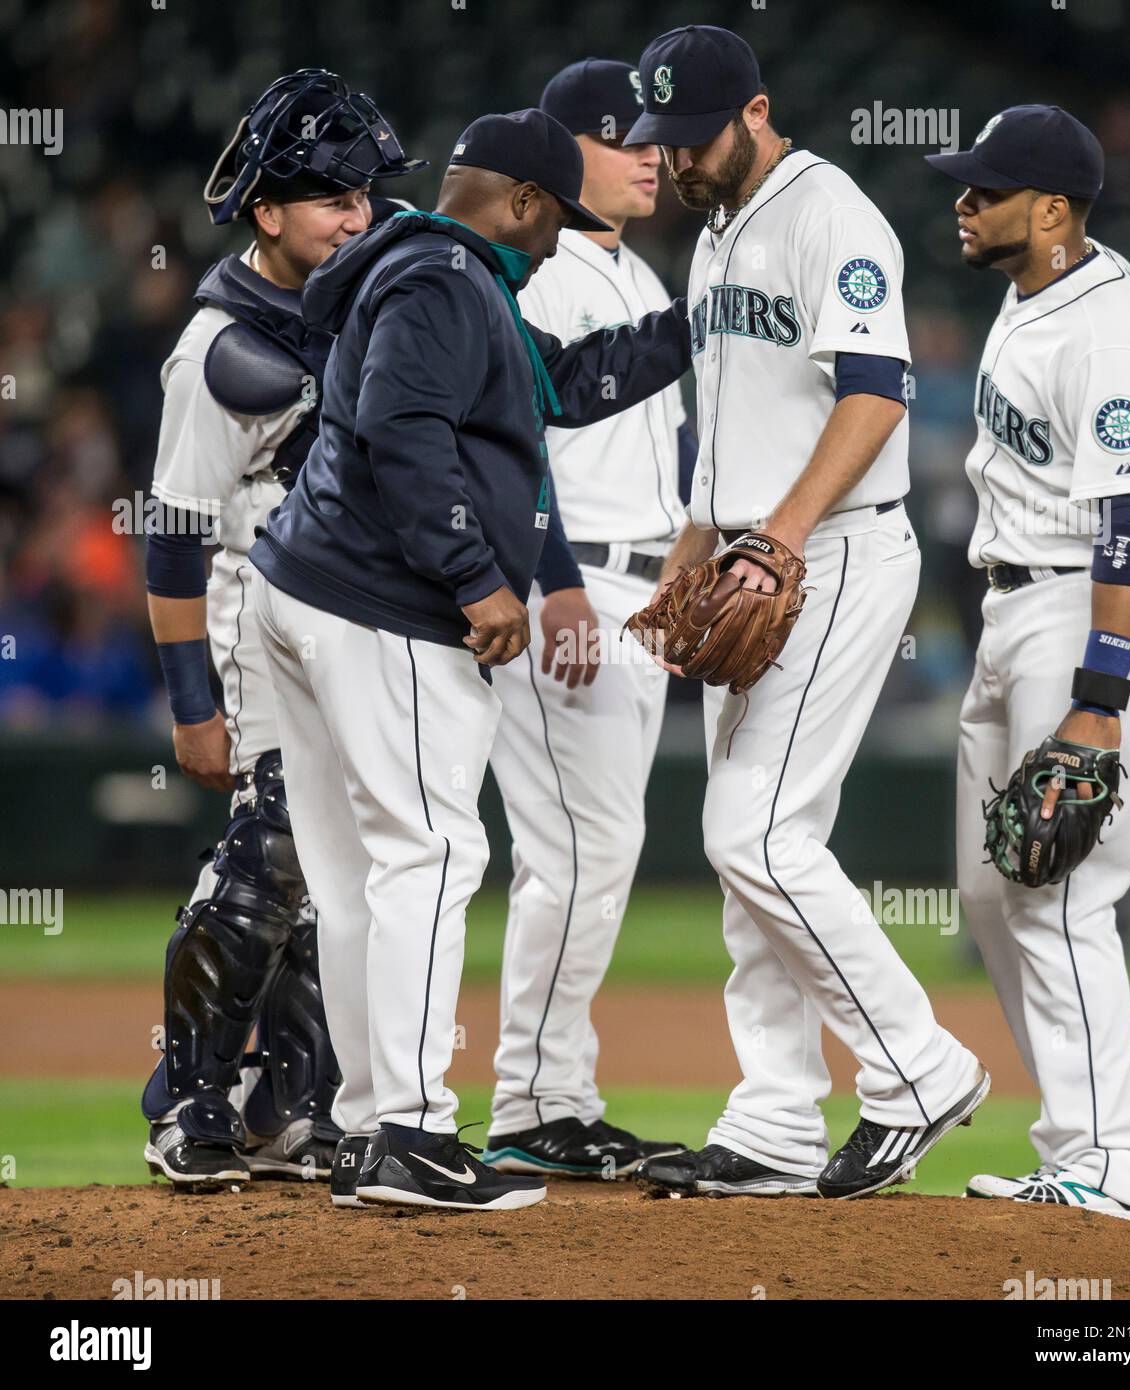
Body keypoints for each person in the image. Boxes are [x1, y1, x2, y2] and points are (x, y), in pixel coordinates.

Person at [250, 108, 692, 1212]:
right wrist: (477, 577)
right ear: (524, 202)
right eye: (553, 225)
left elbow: (559, 384)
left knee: (361, 877)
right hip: (381, 603)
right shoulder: (449, 278)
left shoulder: (427, 268)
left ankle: (368, 1127)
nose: (553, 247)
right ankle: (406, 1130)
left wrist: (694, 327)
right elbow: (407, 430)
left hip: (309, 593)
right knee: (434, 853)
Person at [624, 25, 988, 1201]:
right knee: (748, 856)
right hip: (747, 553)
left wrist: (773, 536)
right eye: (662, 142)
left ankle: (916, 1069)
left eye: (695, 137)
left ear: (758, 111)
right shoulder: (715, 234)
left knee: (756, 835)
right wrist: (693, 547)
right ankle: (777, 1116)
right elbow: (724, 420)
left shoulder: (831, 214)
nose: (676, 161)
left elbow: (876, 398)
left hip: (829, 552)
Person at [141, 69, 424, 1189]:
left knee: (334, 867)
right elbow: (169, 541)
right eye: (331, 199)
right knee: (267, 861)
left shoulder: (380, 286)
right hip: (251, 610)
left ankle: (289, 1101)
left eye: (365, 197)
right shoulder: (216, 355)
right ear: (268, 212)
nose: (358, 216)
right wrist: (193, 708)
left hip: (360, 610)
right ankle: (188, 1101)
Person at [926, 105, 1130, 1226]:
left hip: (1089, 610)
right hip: (1014, 608)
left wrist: (1099, 699)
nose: (961, 200)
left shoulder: (1101, 328)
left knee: (1060, 893)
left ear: (1049, 210)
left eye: (983, 189)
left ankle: (1114, 1163)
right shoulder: (1059, 283)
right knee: (994, 892)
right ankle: (1073, 1141)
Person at [480, 59, 691, 1180]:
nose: (651, 153)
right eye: (624, 138)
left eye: (655, 136)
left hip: (641, 588)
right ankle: (527, 1102)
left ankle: (555, 1094)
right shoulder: (540, 269)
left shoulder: (639, 270)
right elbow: (519, 437)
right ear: (562, 150)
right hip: (572, 588)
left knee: (591, 851)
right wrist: (553, 574)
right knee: (575, 852)